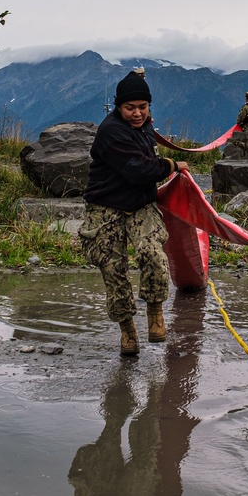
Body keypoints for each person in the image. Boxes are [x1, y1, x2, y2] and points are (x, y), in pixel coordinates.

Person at [80, 68, 186, 359]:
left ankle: (155, 314)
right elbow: (139, 170)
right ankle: (127, 330)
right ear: (118, 106)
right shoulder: (111, 131)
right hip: (105, 207)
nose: (137, 114)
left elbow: (145, 156)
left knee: (153, 254)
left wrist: (137, 77)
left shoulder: (146, 124)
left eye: (142, 107)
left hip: (140, 204)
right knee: (114, 271)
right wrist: (172, 165)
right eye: (130, 108)